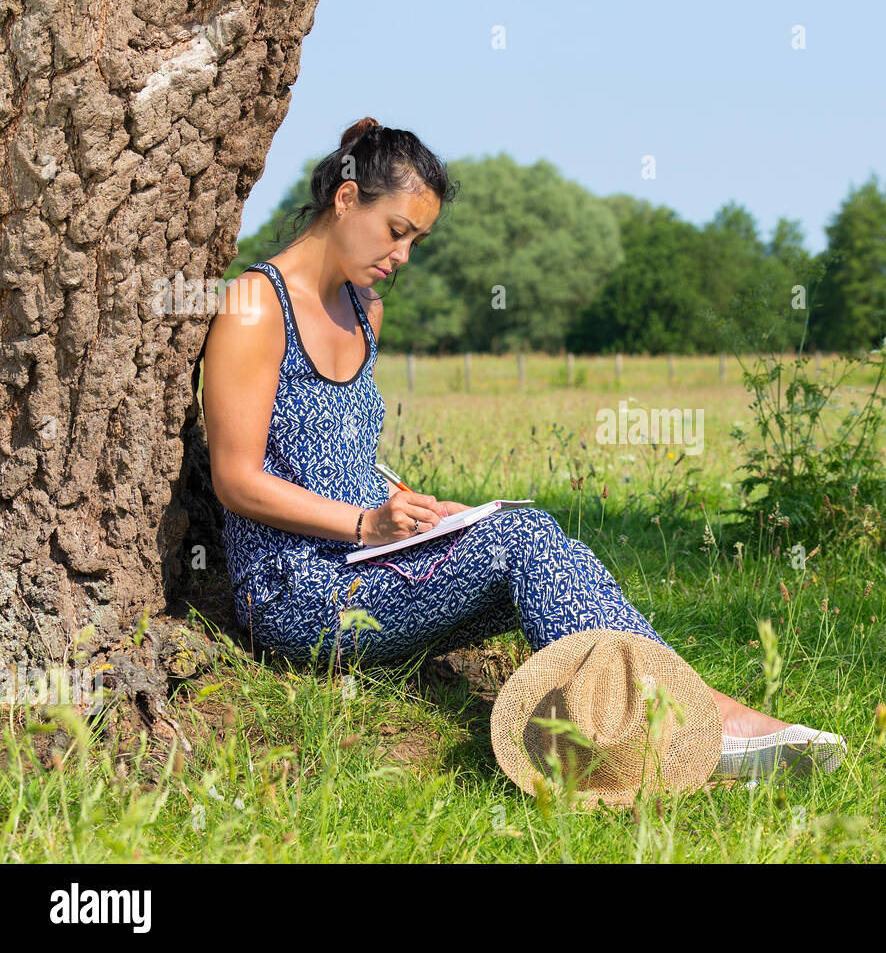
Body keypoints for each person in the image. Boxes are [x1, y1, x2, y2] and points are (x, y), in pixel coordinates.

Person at [200, 117, 846, 778]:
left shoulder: (366, 307)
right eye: (397, 231)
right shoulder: (256, 305)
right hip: (295, 594)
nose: (403, 256)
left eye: (417, 240)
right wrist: (366, 522)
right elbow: (237, 479)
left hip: (372, 565)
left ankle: (660, 723)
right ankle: (692, 721)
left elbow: (341, 456)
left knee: (555, 555)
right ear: (345, 199)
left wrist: (410, 507)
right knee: (525, 536)